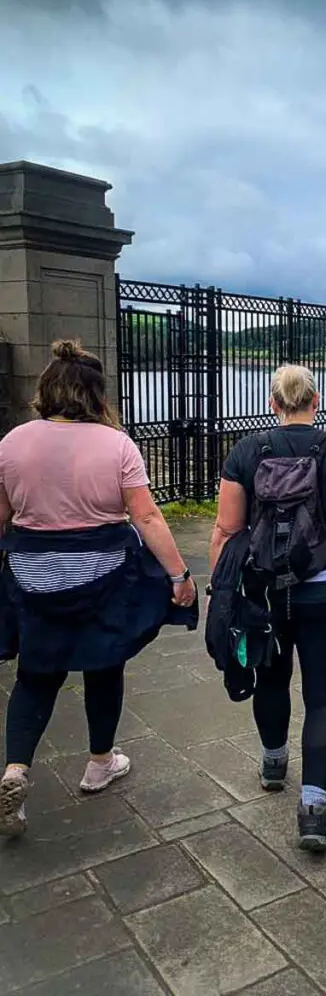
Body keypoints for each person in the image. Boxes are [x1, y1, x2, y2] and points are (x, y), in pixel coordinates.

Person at [0, 341, 197, 838]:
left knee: (36, 675)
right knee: (104, 665)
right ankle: (99, 762)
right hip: (102, 574)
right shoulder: (117, 445)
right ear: (96, 394)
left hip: (33, 575)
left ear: (47, 388)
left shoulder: (12, 444)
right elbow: (146, 515)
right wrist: (179, 575)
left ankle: (16, 770)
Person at [209, 364, 326, 851]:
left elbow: (227, 528)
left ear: (274, 404)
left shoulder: (246, 451)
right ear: (315, 401)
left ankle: (274, 763)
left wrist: (224, 592)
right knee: (324, 697)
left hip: (263, 594)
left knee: (272, 677)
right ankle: (315, 810)